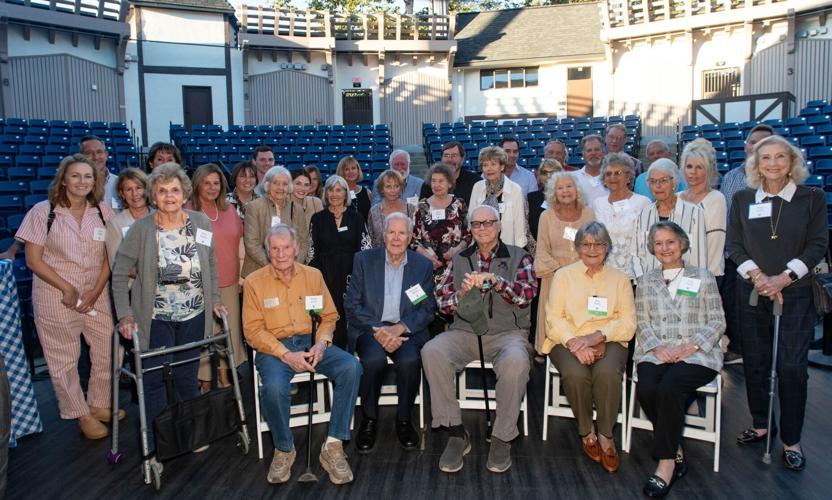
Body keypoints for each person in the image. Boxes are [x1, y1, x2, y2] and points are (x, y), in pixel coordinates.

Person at [112, 163, 225, 467]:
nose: (169, 196)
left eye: (175, 190)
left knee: (187, 378)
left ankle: (191, 434)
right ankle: (157, 442)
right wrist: (125, 315)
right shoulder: (142, 229)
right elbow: (120, 273)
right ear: (153, 195)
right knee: (154, 382)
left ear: (184, 193)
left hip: (194, 315)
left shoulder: (200, 222)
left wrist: (215, 300)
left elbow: (210, 264)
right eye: (162, 191)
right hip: (155, 318)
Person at [727, 135, 827, 472]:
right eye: (765, 157)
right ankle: (761, 423)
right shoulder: (743, 198)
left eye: (780, 157)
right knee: (755, 362)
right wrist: (759, 277)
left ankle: (791, 439)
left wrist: (783, 278)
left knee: (791, 368)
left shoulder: (812, 197)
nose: (773, 163)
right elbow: (734, 244)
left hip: (795, 292)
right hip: (752, 290)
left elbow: (817, 245)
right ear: (755, 164)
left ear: (792, 161)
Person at [422, 205, 537, 474]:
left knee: (516, 363)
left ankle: (501, 436)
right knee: (432, 351)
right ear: (470, 229)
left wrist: (497, 281)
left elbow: (526, 295)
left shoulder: (519, 257)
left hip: (508, 333)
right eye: (476, 224)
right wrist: (461, 295)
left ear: (499, 225)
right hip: (464, 332)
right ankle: (455, 432)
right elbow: (442, 303)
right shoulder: (459, 259)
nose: (482, 228)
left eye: (488, 222)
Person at [243, 224, 361, 485]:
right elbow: (252, 331)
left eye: (286, 248)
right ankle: (284, 448)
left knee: (351, 367)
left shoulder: (313, 276)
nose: (281, 254)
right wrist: (286, 354)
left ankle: (333, 445)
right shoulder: (254, 282)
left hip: (312, 342)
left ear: (296, 249)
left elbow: (329, 316)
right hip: (274, 348)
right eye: (275, 249)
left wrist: (321, 344)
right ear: (267, 251)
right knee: (273, 388)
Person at [15, 154, 117, 440]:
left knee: (107, 347)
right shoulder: (42, 212)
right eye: (75, 175)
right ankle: (80, 414)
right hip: (55, 297)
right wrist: (67, 288)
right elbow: (33, 260)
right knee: (64, 358)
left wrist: (96, 289)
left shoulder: (102, 212)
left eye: (88, 176)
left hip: (95, 294)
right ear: (63, 179)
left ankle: (98, 403)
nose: (82, 181)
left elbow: (110, 256)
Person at [634, 221, 725, 498]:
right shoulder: (646, 281)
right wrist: (656, 347)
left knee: (670, 386)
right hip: (657, 350)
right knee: (646, 388)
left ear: (682, 243)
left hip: (697, 352)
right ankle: (675, 446)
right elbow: (642, 321)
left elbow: (717, 320)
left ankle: (666, 463)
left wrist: (692, 345)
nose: (665, 248)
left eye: (670, 242)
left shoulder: (704, 277)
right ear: (652, 248)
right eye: (658, 243)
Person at [544, 221, 635, 473]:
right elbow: (554, 318)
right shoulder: (563, 276)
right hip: (567, 339)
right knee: (575, 374)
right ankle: (586, 431)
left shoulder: (620, 279)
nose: (592, 250)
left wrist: (597, 336)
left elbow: (628, 322)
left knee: (607, 373)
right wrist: (575, 343)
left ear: (607, 247)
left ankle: (605, 434)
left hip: (610, 339)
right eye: (586, 244)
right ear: (577, 248)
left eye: (598, 244)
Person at [344, 213, 435, 453]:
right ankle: (369, 419)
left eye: (401, 233)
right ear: (383, 236)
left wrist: (399, 328)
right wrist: (381, 330)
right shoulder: (363, 260)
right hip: (370, 329)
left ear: (410, 237)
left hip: (406, 330)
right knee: (373, 360)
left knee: (410, 361)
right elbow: (352, 305)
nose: (396, 238)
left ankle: (404, 419)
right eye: (391, 232)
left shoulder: (422, 266)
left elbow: (427, 308)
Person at [719, 124, 774, 365]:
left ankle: (768, 357)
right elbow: (726, 217)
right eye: (753, 142)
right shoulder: (731, 177)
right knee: (734, 305)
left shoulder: (777, 179)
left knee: (766, 309)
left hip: (769, 259)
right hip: (736, 255)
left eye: (764, 143)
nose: (757, 147)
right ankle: (739, 350)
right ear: (745, 147)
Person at [187, 163, 245, 391]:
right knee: (204, 334)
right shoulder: (187, 211)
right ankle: (205, 381)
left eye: (216, 183)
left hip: (229, 281)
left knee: (228, 332)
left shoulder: (229, 210)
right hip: (200, 285)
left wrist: (241, 278)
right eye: (206, 183)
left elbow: (239, 244)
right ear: (197, 184)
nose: (212, 188)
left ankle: (223, 375)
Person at [533, 172, 594, 356]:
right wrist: (562, 273)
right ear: (554, 192)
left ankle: (581, 350)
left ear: (577, 189)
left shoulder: (589, 214)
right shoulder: (546, 216)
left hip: (583, 278)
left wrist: (577, 273)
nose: (565, 191)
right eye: (560, 188)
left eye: (569, 186)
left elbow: (593, 246)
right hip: (553, 278)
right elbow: (541, 250)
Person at [309, 175, 371, 349]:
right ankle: (328, 351)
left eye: (338, 190)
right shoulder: (317, 218)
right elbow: (312, 251)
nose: (334, 194)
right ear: (325, 193)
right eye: (330, 190)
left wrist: (363, 276)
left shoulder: (356, 217)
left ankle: (351, 352)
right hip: (325, 276)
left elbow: (365, 248)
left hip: (351, 274)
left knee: (349, 314)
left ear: (345, 193)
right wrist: (314, 280)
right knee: (328, 314)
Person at [634, 159, 707, 279]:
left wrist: (690, 287)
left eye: (663, 180)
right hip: (651, 284)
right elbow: (636, 253)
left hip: (684, 284)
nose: (658, 186)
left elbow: (699, 256)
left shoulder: (694, 213)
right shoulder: (644, 214)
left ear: (674, 182)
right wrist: (643, 281)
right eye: (653, 181)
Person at [242, 166, 311, 277]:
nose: (280, 188)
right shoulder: (254, 207)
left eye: (284, 184)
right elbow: (252, 245)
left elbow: (304, 242)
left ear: (289, 187)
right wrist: (277, 266)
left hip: (290, 272)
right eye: (276, 183)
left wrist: (292, 265)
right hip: (260, 272)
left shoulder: (296, 209)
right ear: (267, 185)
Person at [591, 153, 651, 278]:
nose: (612, 177)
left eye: (618, 173)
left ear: (628, 177)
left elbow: (649, 241)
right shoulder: (598, 204)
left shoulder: (643, 203)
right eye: (608, 174)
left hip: (636, 274)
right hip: (604, 274)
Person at [412, 163, 471, 283]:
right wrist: (428, 258)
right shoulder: (421, 206)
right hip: (428, 266)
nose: (436, 185)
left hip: (456, 265)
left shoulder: (459, 204)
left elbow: (468, 235)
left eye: (441, 181)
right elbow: (414, 240)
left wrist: (456, 250)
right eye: (434, 181)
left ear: (449, 183)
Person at [679, 138, 726, 280]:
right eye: (689, 166)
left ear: (709, 170)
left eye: (699, 167)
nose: (693, 172)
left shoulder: (716, 198)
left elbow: (714, 244)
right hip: (677, 273)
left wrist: (702, 278)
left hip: (706, 275)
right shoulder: (676, 198)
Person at [469, 146, 527, 248]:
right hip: (481, 245)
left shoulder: (515, 189)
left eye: (493, 164)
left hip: (507, 247)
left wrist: (518, 251)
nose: (489, 168)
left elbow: (520, 225)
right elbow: (471, 218)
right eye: (485, 165)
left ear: (502, 166)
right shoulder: (477, 187)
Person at [104, 168, 152, 268]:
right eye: (129, 189)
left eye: (138, 188)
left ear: (146, 189)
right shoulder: (116, 224)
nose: (135, 194)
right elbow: (115, 264)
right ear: (122, 194)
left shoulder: (160, 216)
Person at [419, 141, 480, 205]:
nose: (449, 159)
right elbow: (422, 207)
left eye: (454, 155)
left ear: (462, 159)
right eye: (446, 155)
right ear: (441, 158)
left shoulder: (475, 181)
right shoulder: (429, 184)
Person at [367, 170, 416, 248]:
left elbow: (416, 239)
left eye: (396, 186)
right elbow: (370, 239)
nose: (393, 190)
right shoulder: (374, 211)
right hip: (380, 254)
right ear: (382, 189)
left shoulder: (411, 209)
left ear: (401, 188)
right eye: (388, 186)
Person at [527, 159, 563, 244]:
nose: (548, 176)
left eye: (553, 173)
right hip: (538, 246)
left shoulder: (569, 197)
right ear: (539, 176)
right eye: (544, 173)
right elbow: (527, 228)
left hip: (564, 247)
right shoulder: (531, 198)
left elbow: (575, 228)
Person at [79, 135, 118, 210]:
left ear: (106, 155)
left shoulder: (119, 182)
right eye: (89, 153)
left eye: (99, 152)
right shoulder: (76, 186)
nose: (95, 157)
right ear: (81, 157)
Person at [573, 135, 608, 205]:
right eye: (589, 150)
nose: (593, 153)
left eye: (597, 149)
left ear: (603, 152)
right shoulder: (572, 178)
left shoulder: (613, 177)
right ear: (583, 154)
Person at [336, 155, 372, 222]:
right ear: (341, 172)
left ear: (358, 170)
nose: (351, 171)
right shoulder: (337, 193)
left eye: (353, 168)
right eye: (347, 169)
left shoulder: (367, 193)